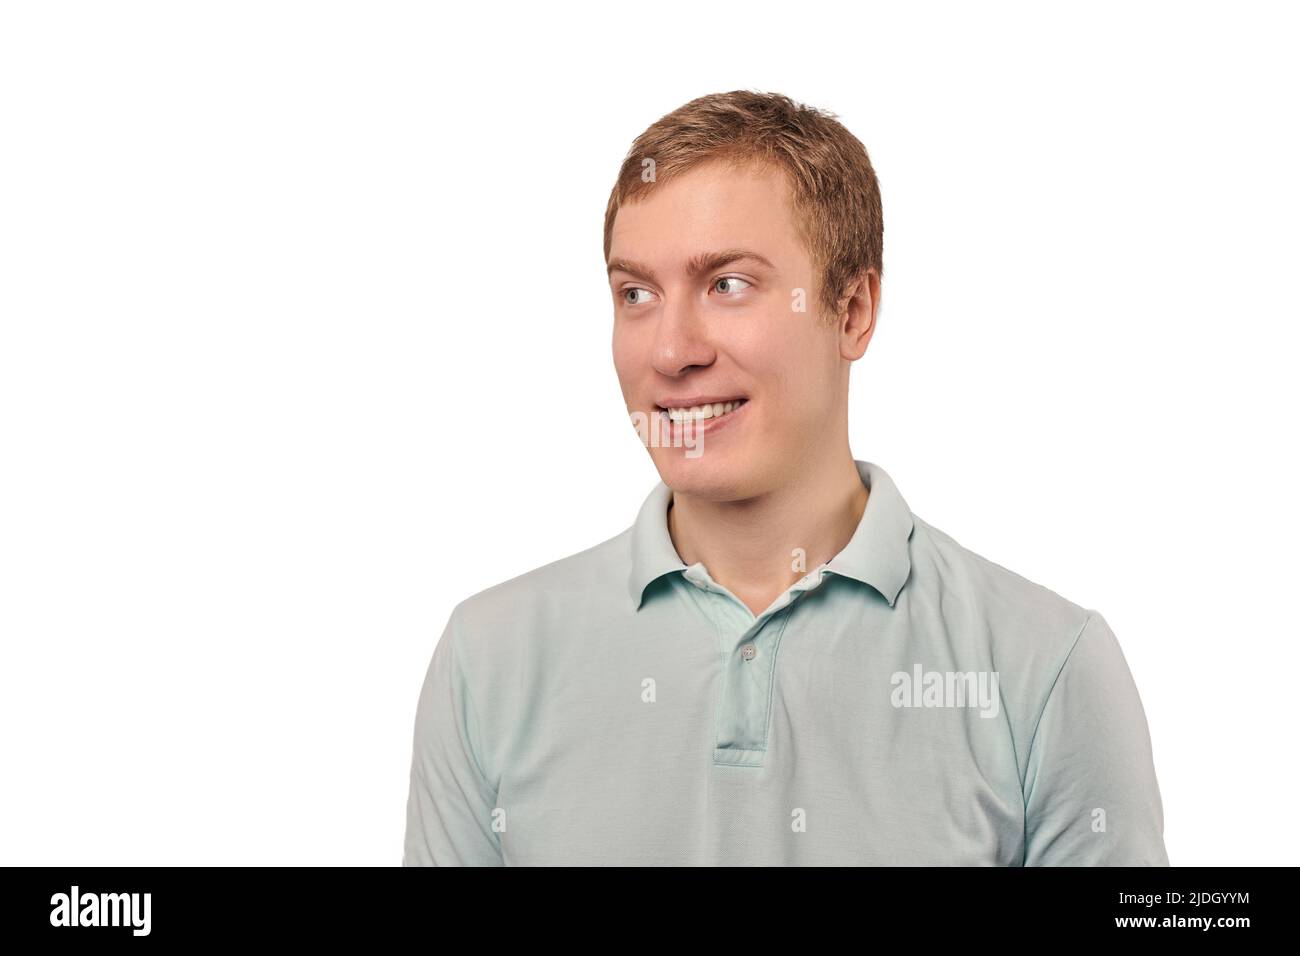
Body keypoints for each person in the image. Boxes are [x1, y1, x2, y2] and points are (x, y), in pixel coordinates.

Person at [402, 90, 1169, 866]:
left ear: (853, 309)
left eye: (727, 284)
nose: (670, 352)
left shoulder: (1046, 668)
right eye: (636, 293)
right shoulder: (488, 661)